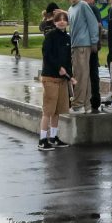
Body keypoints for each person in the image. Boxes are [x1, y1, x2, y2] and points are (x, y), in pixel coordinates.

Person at [38, 9, 73, 151]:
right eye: (59, 19)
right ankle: (42, 140)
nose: (62, 21)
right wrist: (58, 67)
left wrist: (70, 76)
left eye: (64, 19)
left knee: (58, 111)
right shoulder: (50, 36)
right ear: (54, 21)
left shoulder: (67, 38)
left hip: (62, 79)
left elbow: (68, 59)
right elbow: (47, 54)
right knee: (48, 110)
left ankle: (53, 137)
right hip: (50, 77)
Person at [65, 0, 98, 112]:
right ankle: (87, 105)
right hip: (75, 45)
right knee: (85, 76)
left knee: (79, 75)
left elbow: (93, 23)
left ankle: (78, 105)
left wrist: (94, 41)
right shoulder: (70, 9)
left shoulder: (83, 5)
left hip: (83, 45)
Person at [81, 0, 105, 113]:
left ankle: (95, 100)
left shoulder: (93, 9)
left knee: (92, 73)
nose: (85, 0)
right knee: (84, 73)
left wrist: (96, 43)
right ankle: (86, 99)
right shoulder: (81, 8)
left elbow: (99, 26)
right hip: (82, 45)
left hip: (92, 46)